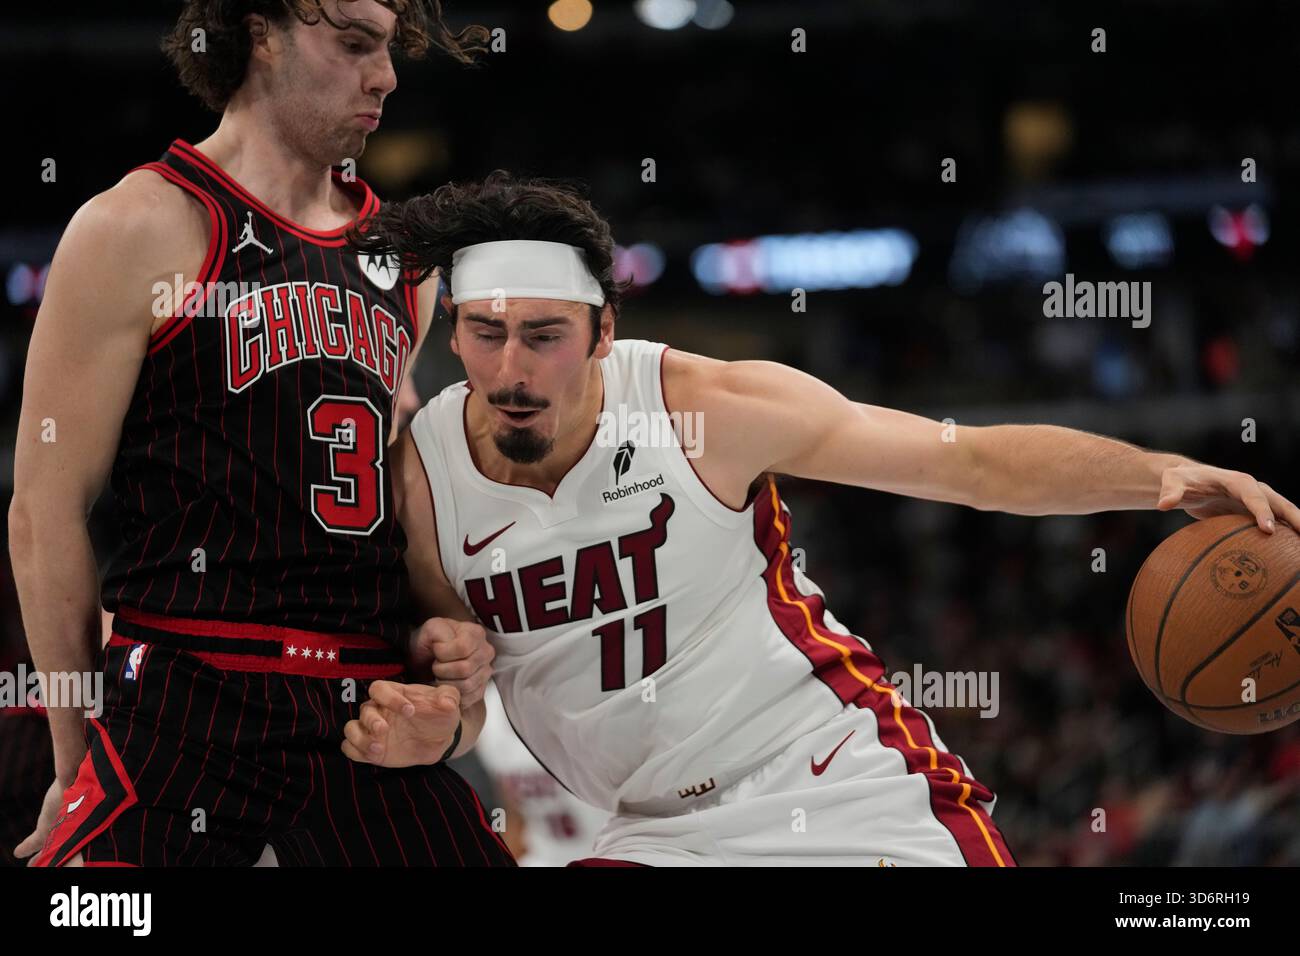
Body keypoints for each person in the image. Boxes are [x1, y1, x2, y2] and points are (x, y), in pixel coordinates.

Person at [339, 170, 1300, 865]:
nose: (510, 370)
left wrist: (1162, 475)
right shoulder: (420, 485)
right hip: (650, 834)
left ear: (602, 334)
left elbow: (964, 461)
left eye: (544, 337)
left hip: (837, 784)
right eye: (486, 334)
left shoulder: (705, 408)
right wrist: (438, 722)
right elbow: (464, 702)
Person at [11, 1, 512, 867]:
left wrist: (449, 665)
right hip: (184, 694)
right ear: (261, 34)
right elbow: (44, 510)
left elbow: (401, 502)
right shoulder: (136, 227)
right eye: (355, 44)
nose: (386, 76)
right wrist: (72, 754)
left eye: (389, 50)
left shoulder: (403, 260)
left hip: (362, 712)